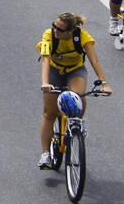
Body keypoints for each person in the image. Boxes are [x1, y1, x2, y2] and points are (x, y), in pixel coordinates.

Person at [38, 12, 112, 169]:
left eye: (59, 29)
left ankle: (77, 124)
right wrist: (45, 82)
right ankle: (45, 154)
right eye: (54, 26)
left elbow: (94, 60)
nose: (55, 30)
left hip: (75, 70)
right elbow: (45, 59)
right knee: (49, 114)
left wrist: (105, 83)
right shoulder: (49, 35)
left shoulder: (82, 37)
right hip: (55, 71)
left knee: (78, 97)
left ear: (70, 31)